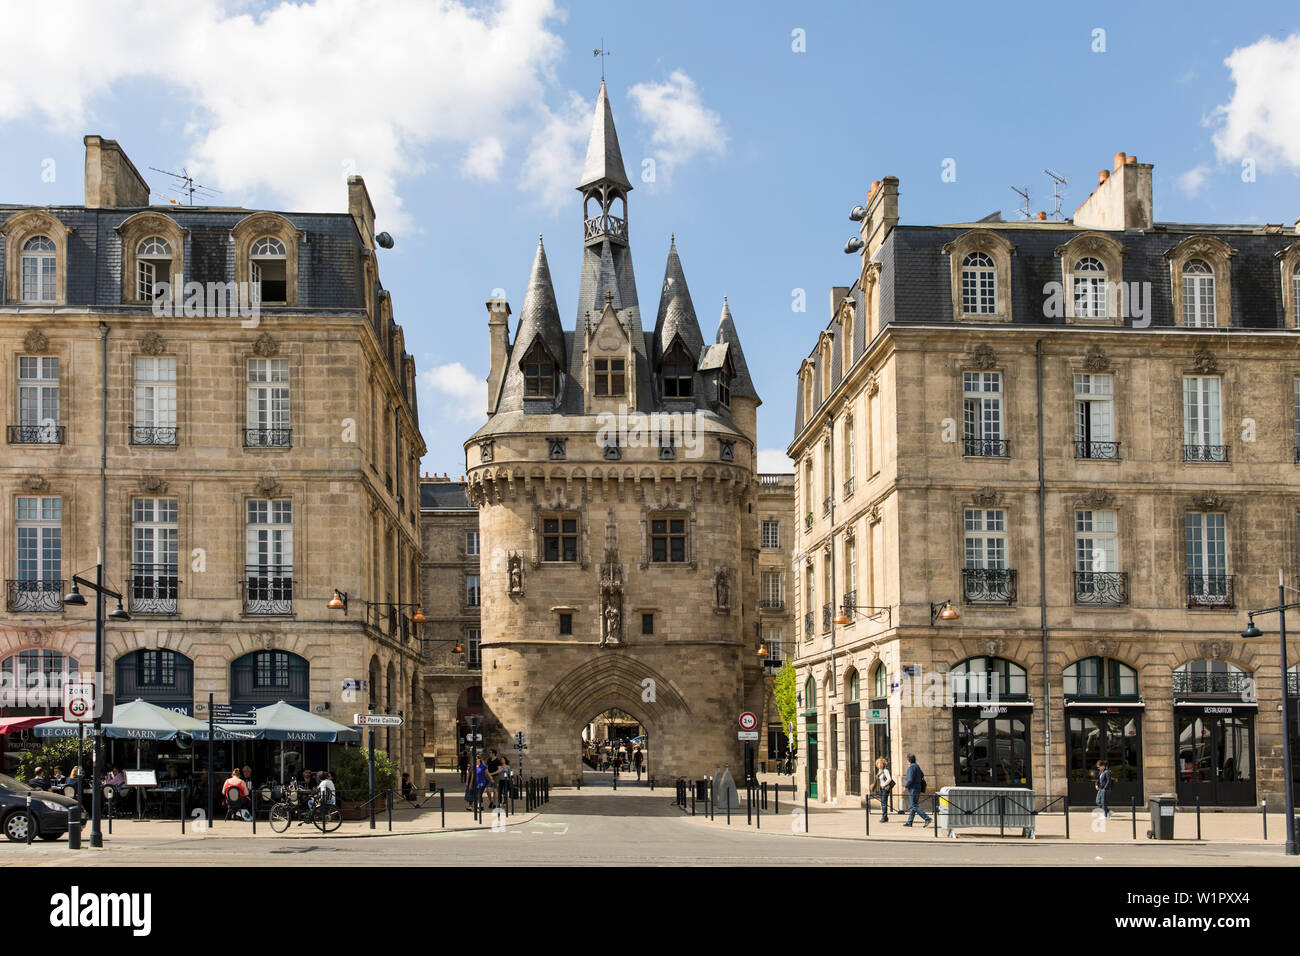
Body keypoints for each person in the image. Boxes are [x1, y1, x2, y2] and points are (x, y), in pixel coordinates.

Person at [902, 754, 931, 827]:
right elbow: (922, 774)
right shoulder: (917, 766)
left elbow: (910, 779)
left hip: (913, 788)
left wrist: (906, 786)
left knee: (914, 805)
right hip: (918, 787)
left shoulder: (911, 767)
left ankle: (927, 818)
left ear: (909, 760)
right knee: (913, 805)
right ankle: (909, 822)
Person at [875, 757, 894, 822]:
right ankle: (885, 816)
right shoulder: (879, 771)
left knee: (884, 803)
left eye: (881, 764)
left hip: (885, 788)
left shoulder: (885, 771)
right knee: (883, 803)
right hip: (881, 788)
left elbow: (889, 779)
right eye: (878, 764)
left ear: (883, 764)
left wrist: (884, 785)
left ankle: (884, 817)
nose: (880, 765)